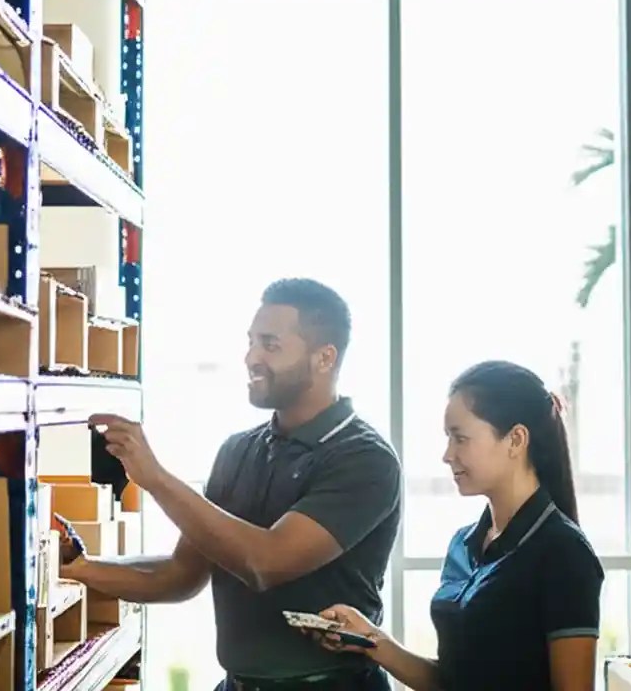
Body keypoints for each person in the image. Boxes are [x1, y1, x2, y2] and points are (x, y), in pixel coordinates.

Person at [60, 278, 402, 690]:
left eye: (270, 345)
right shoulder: (238, 451)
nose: (251, 357)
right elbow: (179, 574)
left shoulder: (364, 459)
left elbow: (265, 563)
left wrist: (154, 478)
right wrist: (76, 569)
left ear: (324, 358)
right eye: (251, 342)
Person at [308, 360, 603, 691]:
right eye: (448, 438)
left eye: (460, 438)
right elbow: (450, 683)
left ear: (516, 440)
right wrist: (369, 638)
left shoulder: (564, 552)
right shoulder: (463, 544)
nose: (447, 454)